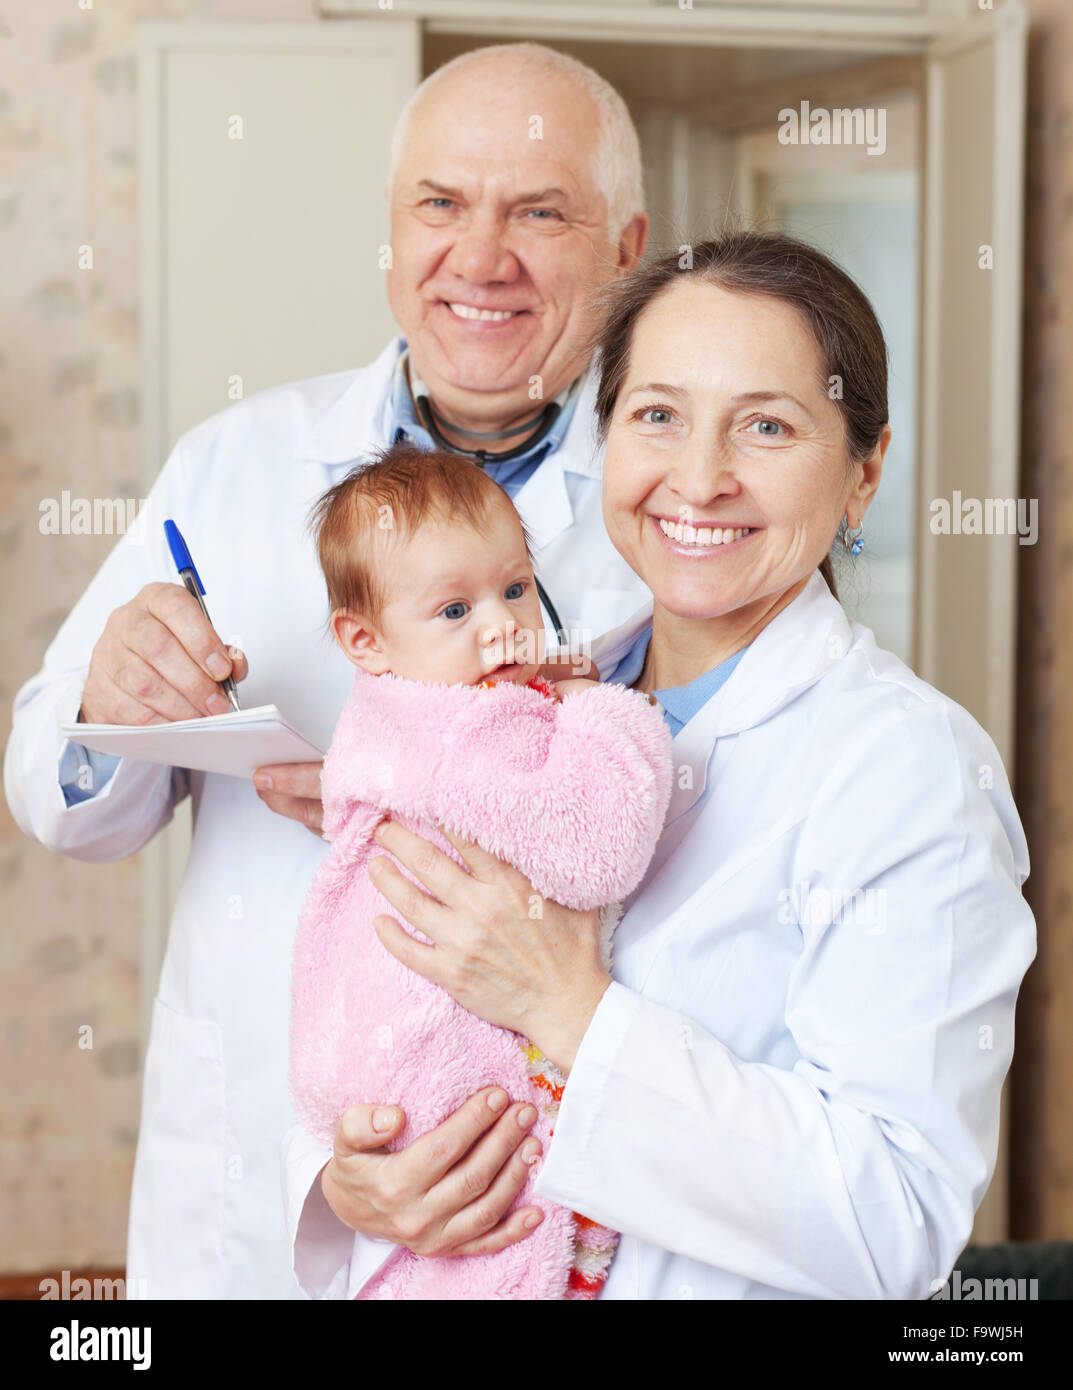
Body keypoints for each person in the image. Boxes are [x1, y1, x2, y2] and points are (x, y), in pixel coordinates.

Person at [2, 43, 651, 1299]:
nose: (480, 258)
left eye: (538, 212)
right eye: (440, 204)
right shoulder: (236, 464)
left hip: (520, 1189)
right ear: (392, 229)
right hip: (253, 1194)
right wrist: (103, 704)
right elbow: (51, 786)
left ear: (624, 246)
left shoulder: (663, 509)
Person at [292, 231, 1037, 1300]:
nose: (697, 478)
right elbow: (367, 1003)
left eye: (766, 426)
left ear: (861, 477)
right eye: (657, 416)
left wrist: (571, 1008)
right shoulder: (509, 702)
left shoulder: (907, 770)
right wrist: (354, 1185)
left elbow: (892, 1221)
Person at [289, 444, 672, 1299]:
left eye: (514, 588)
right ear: (366, 642)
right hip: (437, 1067)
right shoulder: (455, 736)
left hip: (376, 1072)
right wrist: (610, 718)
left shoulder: (402, 712)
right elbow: (596, 847)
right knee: (492, 1235)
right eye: (455, 608)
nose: (500, 624)